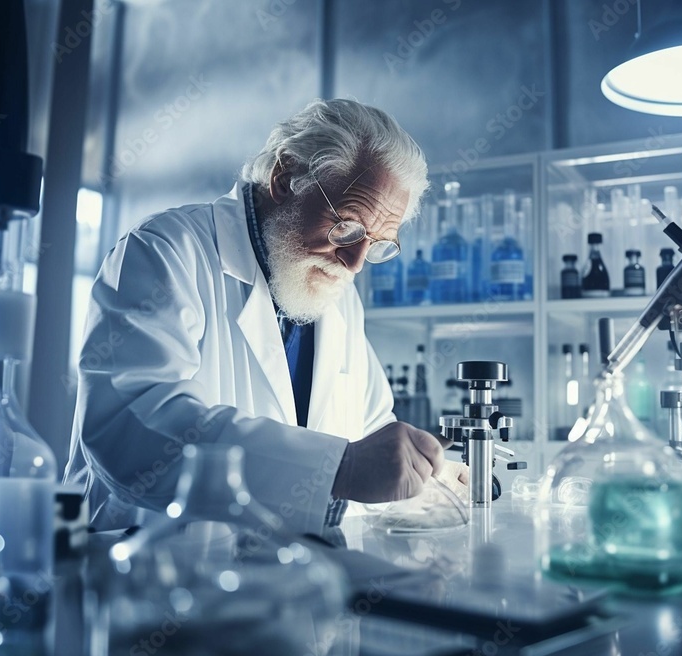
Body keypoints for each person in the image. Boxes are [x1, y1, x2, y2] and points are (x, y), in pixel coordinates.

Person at [65, 98, 454, 535]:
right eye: (347, 226)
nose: (356, 263)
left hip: (280, 568)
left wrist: (429, 477)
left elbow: (373, 432)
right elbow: (131, 431)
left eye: (379, 243)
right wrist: (338, 468)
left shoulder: (338, 295)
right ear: (284, 178)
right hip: (148, 559)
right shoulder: (166, 252)